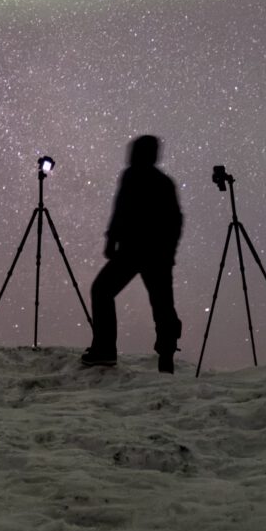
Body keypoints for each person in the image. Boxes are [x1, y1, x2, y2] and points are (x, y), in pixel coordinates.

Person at [82, 135, 183, 372]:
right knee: (161, 305)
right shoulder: (157, 181)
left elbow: (170, 220)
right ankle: (164, 355)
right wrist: (112, 239)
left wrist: (112, 240)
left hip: (140, 252)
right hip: (146, 253)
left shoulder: (144, 179)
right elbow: (123, 210)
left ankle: (107, 350)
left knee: (107, 292)